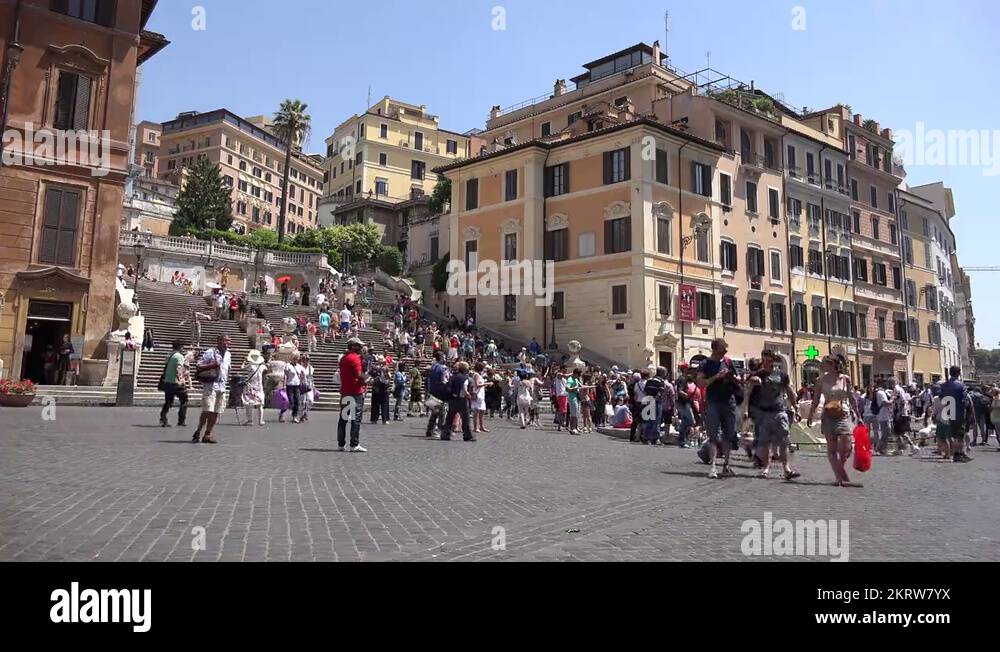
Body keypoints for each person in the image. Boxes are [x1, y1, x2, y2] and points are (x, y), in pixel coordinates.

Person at [742, 349, 800, 480]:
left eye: (768, 359)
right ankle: (766, 468)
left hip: (779, 411)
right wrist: (745, 409)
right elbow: (747, 391)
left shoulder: (781, 375)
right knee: (764, 442)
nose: (765, 362)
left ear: (773, 360)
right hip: (764, 413)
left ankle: (786, 469)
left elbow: (789, 391)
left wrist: (796, 407)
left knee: (783, 441)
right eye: (763, 359)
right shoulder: (759, 374)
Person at [806, 355, 860, 486]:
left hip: (843, 413)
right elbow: (816, 399)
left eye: (826, 363)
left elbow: (851, 397)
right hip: (829, 414)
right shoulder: (821, 380)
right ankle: (839, 477)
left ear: (834, 364)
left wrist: (858, 415)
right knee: (832, 448)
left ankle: (840, 470)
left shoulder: (845, 379)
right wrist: (810, 415)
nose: (823, 366)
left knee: (847, 447)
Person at [697, 339, 742, 479]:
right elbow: (700, 383)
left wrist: (736, 377)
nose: (725, 351)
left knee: (729, 434)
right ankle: (713, 466)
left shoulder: (728, 361)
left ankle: (726, 465)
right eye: (723, 348)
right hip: (713, 402)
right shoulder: (705, 364)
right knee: (713, 435)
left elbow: (738, 376)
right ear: (715, 349)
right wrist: (717, 376)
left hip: (729, 402)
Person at [192, 335, 231, 444]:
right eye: (225, 342)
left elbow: (227, 370)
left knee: (216, 411)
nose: (227, 344)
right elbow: (199, 365)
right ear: (218, 341)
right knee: (207, 410)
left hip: (222, 386)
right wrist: (212, 365)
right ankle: (199, 430)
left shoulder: (228, 354)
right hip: (211, 385)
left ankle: (208, 433)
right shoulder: (210, 352)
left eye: (229, 342)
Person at [337, 337, 368, 452]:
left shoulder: (344, 358)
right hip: (355, 393)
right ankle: (354, 444)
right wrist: (369, 380)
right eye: (359, 346)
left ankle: (341, 444)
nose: (361, 348)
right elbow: (359, 375)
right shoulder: (354, 358)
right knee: (355, 419)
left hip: (345, 392)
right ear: (354, 346)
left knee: (343, 419)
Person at [938, 366, 972, 462]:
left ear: (950, 373)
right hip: (959, 412)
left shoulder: (944, 385)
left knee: (952, 434)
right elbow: (965, 400)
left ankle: (955, 453)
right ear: (958, 373)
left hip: (949, 411)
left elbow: (941, 398)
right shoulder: (961, 385)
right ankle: (959, 454)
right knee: (960, 435)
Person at [159, 339, 189, 428]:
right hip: (176, 382)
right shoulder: (179, 356)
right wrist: (181, 380)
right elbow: (178, 368)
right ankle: (181, 420)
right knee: (184, 400)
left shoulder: (169, 355)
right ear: (180, 347)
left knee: (168, 401)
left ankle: (163, 418)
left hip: (168, 381)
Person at [444, 361, 476, 442]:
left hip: (453, 399)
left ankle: (445, 434)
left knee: (449, 418)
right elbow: (465, 388)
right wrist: (470, 396)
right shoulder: (467, 378)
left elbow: (448, 388)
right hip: (462, 400)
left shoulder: (453, 377)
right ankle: (467, 435)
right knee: (465, 419)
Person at [425, 351, 451, 438]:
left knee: (434, 412)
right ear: (441, 358)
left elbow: (429, 380)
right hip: (440, 392)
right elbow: (444, 381)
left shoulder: (432, 367)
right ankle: (438, 430)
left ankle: (430, 430)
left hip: (433, 391)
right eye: (443, 357)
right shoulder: (441, 368)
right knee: (442, 412)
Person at [241, 349, 266, 427]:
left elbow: (242, 368)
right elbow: (267, 369)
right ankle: (260, 420)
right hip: (259, 386)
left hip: (251, 386)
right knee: (260, 404)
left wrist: (244, 361)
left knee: (249, 403)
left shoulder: (250, 365)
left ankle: (250, 420)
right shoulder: (262, 366)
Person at [280, 354, 302, 424]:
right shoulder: (288, 366)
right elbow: (285, 376)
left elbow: (301, 375)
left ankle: (294, 417)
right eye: (295, 358)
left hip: (297, 385)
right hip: (290, 385)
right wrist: (284, 385)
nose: (296, 360)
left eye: (297, 359)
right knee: (289, 401)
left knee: (297, 401)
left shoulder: (299, 366)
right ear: (292, 359)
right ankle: (282, 413)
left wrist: (301, 381)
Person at [471, 362, 489, 433]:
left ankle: (481, 426)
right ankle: (476, 427)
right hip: (477, 395)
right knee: (476, 412)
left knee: (482, 411)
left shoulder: (479, 375)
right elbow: (477, 385)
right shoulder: (476, 375)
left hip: (481, 395)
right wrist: (486, 384)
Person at [297, 354, 315, 423]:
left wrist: (313, 385)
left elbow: (311, 377)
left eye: (307, 360)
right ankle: (301, 415)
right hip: (302, 386)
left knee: (310, 401)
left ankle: (305, 412)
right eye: (304, 360)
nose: (306, 361)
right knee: (303, 401)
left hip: (309, 386)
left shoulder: (311, 368)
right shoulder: (299, 368)